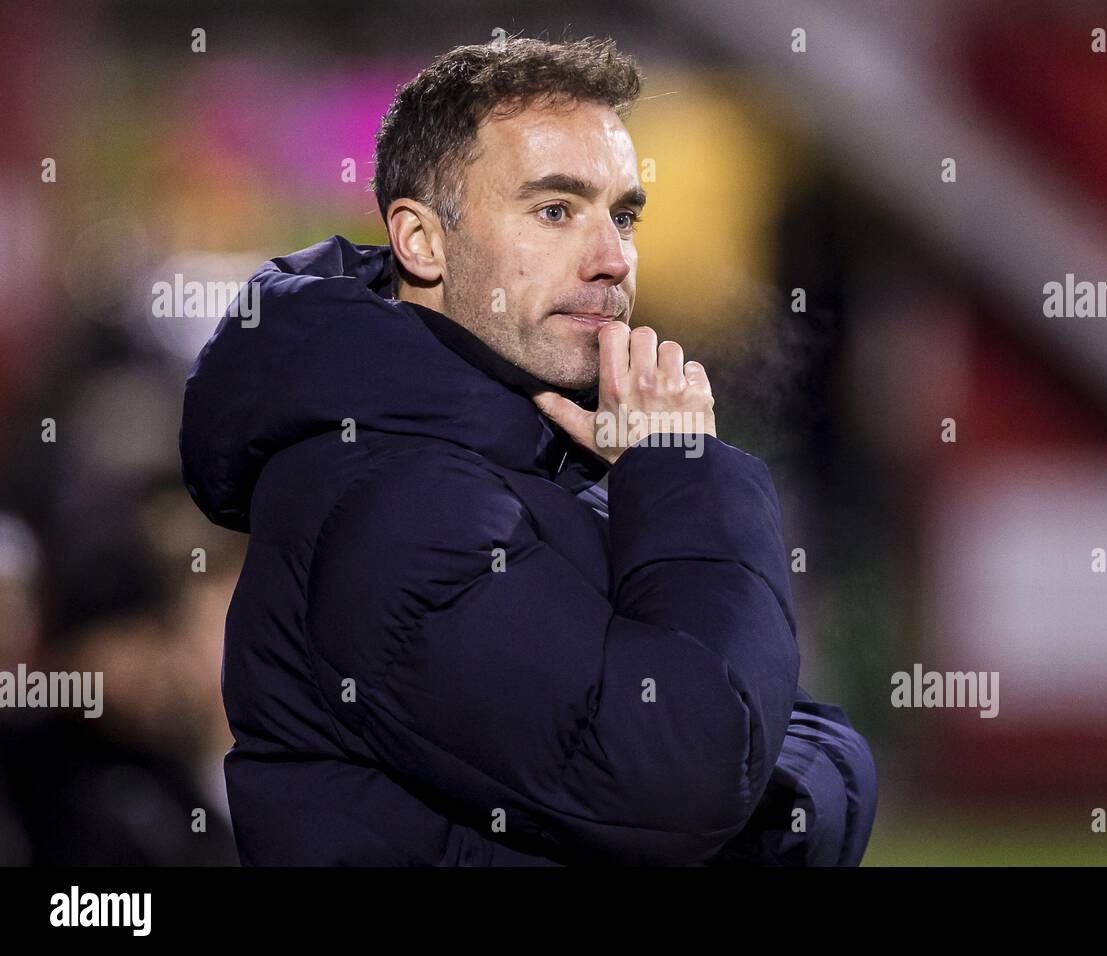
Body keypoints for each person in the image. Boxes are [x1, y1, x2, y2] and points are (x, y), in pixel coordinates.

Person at [180, 36, 876, 865]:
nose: (613, 258)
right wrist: (684, 472)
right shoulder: (393, 501)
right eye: (555, 211)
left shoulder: (525, 453)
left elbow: (761, 732)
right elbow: (700, 769)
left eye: (623, 215)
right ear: (422, 243)